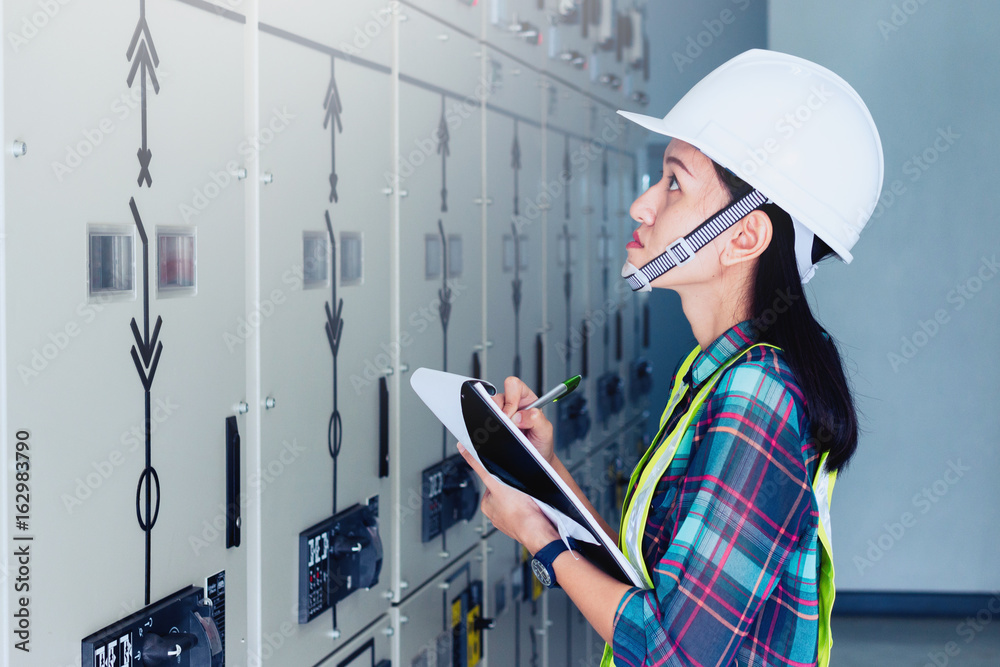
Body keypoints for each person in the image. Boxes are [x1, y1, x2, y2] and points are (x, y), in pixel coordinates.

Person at [457, 49, 883, 666]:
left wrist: (534, 534)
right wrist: (546, 471)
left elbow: (671, 653)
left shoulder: (758, 395)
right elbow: (656, 585)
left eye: (674, 182)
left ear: (744, 236)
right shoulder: (722, 373)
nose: (642, 206)